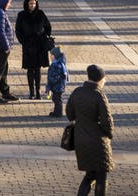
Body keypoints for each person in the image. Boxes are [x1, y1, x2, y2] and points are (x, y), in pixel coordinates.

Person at [66, 65, 114, 196]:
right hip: (98, 142)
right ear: (100, 79)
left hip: (81, 140)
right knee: (101, 176)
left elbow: (69, 114)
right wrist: (109, 134)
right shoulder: (99, 95)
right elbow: (107, 121)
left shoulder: (77, 92)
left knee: (89, 175)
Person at [15, 0, 52, 99]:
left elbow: (48, 26)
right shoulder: (21, 15)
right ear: (26, 4)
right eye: (30, 3)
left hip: (40, 45)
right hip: (28, 45)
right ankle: (31, 92)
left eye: (34, 3)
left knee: (38, 69)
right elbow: (18, 31)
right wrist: (23, 41)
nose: (32, 5)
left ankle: (38, 91)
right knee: (30, 69)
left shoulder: (40, 14)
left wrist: (45, 36)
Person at [46, 45, 69, 118]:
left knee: (57, 99)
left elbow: (56, 76)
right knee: (55, 98)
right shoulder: (58, 63)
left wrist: (51, 82)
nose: (50, 57)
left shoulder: (57, 65)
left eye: (52, 55)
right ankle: (56, 111)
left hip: (58, 85)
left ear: (55, 56)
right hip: (58, 85)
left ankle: (58, 112)